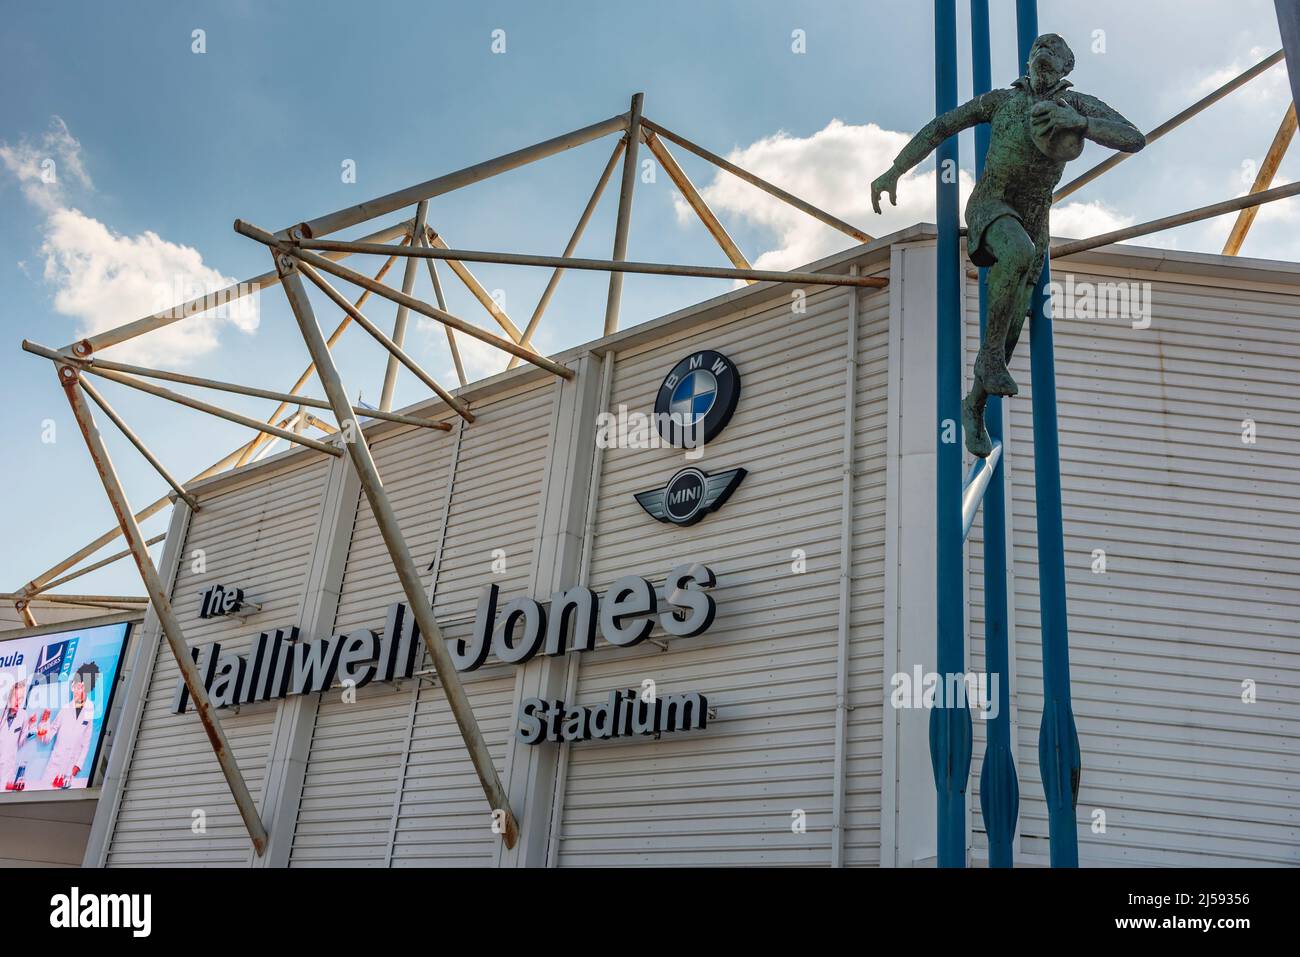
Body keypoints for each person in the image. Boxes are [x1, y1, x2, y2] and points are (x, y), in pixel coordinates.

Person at [870, 33, 1144, 457]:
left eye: (1052, 49)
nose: (1041, 53)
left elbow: (1133, 138)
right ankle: (989, 359)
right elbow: (944, 125)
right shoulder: (1000, 102)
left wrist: (1082, 124)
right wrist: (894, 169)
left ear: (1067, 66)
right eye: (1036, 48)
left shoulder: (1078, 106)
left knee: (1015, 318)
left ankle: (973, 404)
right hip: (991, 203)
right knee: (1015, 252)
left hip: (1036, 218)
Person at [37, 663, 99, 789]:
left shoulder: (90, 708)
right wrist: (44, 721)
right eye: (74, 687)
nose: (76, 691)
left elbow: (86, 742)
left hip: (70, 770)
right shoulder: (65, 709)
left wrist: (78, 765)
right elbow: (47, 738)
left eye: (79, 687)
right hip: (54, 766)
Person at [0, 678, 27, 790]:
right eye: (16, 697)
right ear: (10, 696)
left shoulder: (23, 715)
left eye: (21, 699)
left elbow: (21, 743)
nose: (18, 702)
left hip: (8, 767)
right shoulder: (1, 713)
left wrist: (27, 728)